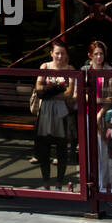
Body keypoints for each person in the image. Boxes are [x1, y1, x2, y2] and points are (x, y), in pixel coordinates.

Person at [83, 41, 112, 194]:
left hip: (109, 117)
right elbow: (79, 96)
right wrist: (98, 102)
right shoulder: (85, 71)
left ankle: (109, 186)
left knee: (109, 152)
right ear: (90, 55)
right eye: (96, 54)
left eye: (101, 53)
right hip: (88, 115)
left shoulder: (111, 70)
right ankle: (94, 184)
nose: (99, 57)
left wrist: (99, 107)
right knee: (91, 152)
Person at [32, 41, 76, 191]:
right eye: (57, 52)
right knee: (44, 149)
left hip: (61, 113)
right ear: (51, 53)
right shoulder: (45, 67)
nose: (59, 56)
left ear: (66, 55)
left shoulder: (70, 69)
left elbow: (69, 94)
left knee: (61, 149)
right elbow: (38, 89)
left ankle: (59, 184)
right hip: (44, 113)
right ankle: (45, 183)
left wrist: (48, 92)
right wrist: (58, 90)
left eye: (62, 53)